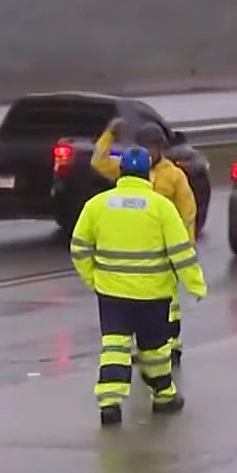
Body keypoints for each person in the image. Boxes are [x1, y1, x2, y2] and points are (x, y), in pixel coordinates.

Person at [70, 149, 207, 426]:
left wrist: (93, 278)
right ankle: (164, 396)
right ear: (148, 174)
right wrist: (196, 284)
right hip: (153, 293)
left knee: (114, 347)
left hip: (112, 294)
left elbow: (79, 247)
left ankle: (109, 403)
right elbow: (181, 251)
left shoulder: (97, 205)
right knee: (155, 349)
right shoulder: (160, 207)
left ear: (120, 173)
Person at [91, 119, 198, 372]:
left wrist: (185, 248)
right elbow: (98, 161)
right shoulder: (128, 169)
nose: (149, 152)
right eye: (144, 147)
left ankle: (172, 346)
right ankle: (147, 348)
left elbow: (188, 211)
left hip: (164, 248)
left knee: (168, 302)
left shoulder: (174, 176)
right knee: (141, 302)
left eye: (153, 147)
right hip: (137, 247)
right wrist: (109, 134)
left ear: (161, 148)